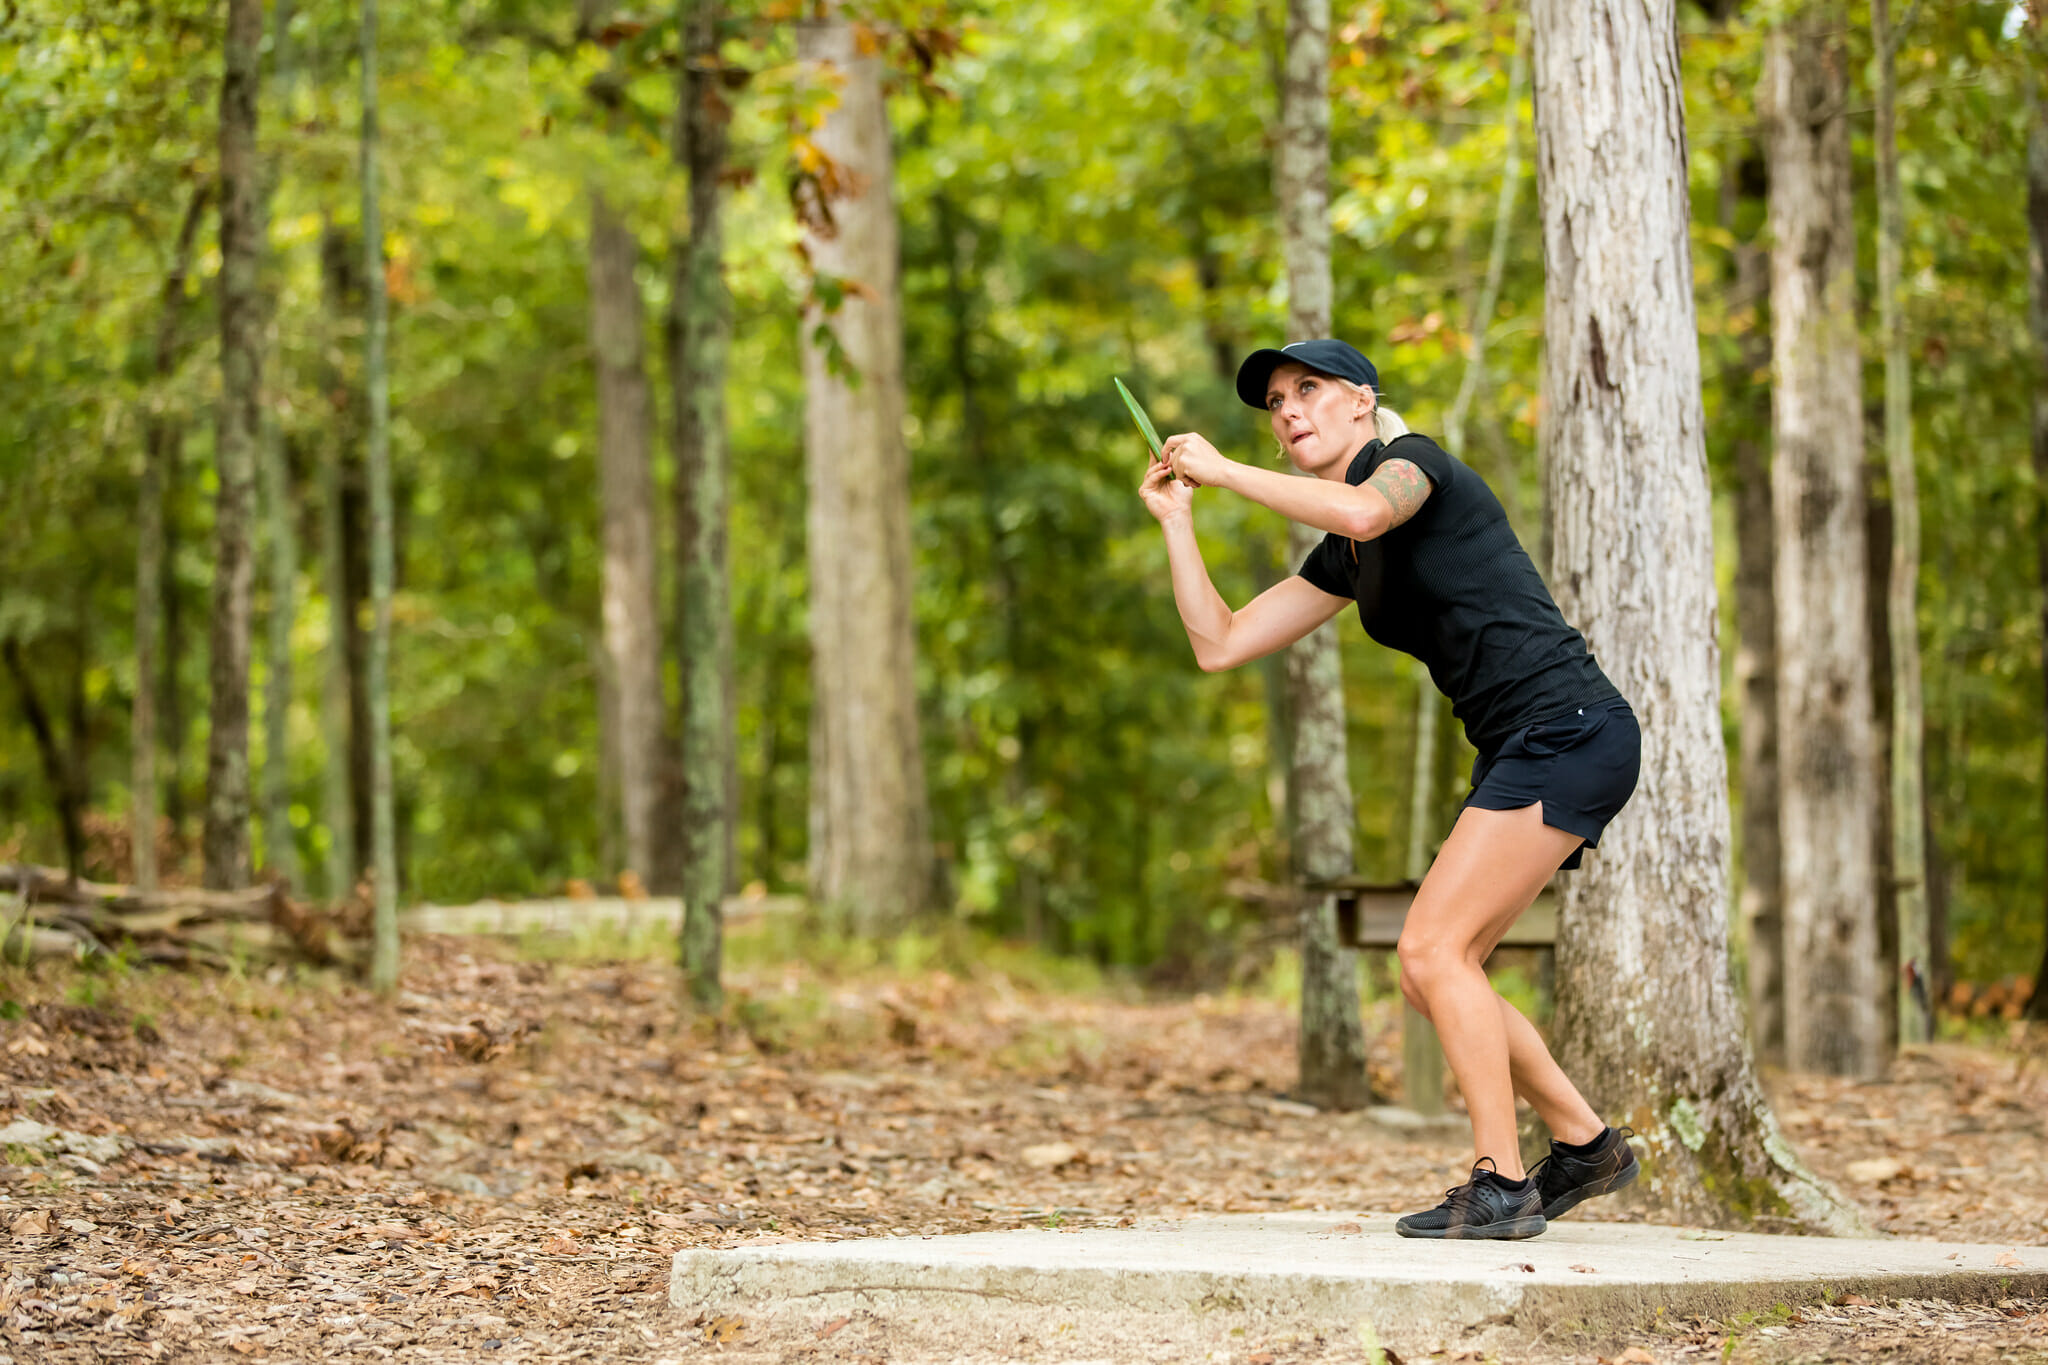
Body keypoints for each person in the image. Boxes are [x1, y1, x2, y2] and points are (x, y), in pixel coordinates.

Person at [1138, 338, 1641, 1241]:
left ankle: (1503, 1182)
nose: (1289, 409)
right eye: (1276, 401)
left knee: (1429, 950)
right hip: (1528, 744)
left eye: (1309, 389)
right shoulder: (1345, 550)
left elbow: (1368, 511)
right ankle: (1586, 1142)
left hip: (1567, 727)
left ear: (1363, 401)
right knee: (1436, 973)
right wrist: (1179, 519)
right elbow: (1220, 641)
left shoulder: (1415, 469)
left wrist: (1225, 469)